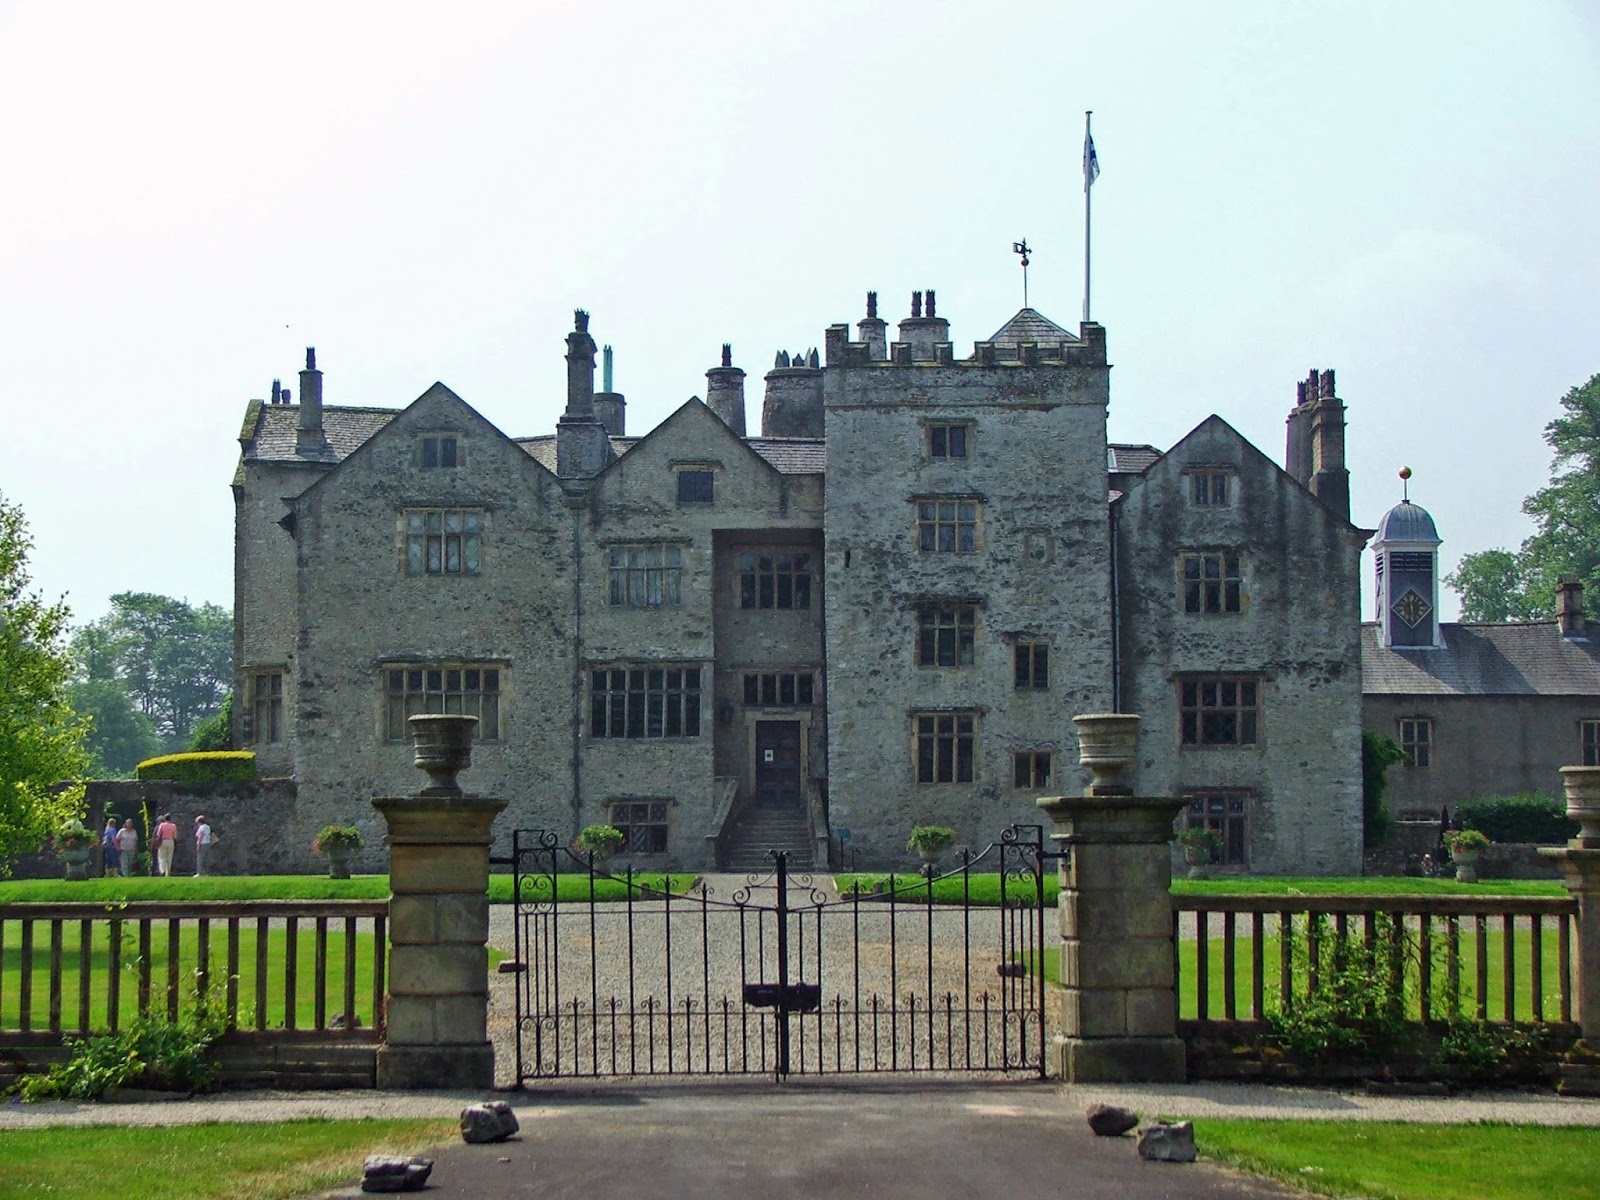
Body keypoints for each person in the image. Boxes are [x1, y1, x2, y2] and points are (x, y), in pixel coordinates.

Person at [154, 812, 178, 877]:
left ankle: (162, 870)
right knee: (169, 857)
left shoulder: (162, 825)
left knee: (161, 856)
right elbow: (175, 836)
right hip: (171, 841)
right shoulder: (173, 825)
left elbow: (158, 834)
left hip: (163, 840)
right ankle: (168, 873)